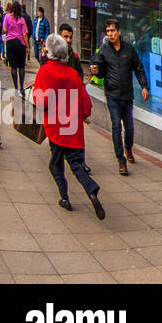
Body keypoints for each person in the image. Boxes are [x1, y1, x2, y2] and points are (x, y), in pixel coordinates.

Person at [32, 34, 104, 219]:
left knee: (55, 164)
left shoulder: (45, 71)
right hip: (73, 129)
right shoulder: (73, 73)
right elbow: (85, 103)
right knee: (76, 164)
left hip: (56, 128)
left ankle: (64, 198)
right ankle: (91, 189)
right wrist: (82, 116)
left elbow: (41, 101)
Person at [90, 18, 149, 176]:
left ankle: (128, 148)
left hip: (127, 96)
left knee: (129, 127)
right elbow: (99, 69)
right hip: (112, 95)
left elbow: (139, 69)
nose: (110, 34)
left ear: (119, 32)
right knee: (116, 126)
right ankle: (121, 160)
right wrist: (95, 71)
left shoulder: (129, 50)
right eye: (108, 31)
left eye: (112, 31)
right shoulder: (103, 50)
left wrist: (144, 86)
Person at [2, 2, 29, 95]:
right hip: (20, 43)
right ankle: (21, 87)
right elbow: (25, 34)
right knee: (21, 66)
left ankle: (16, 88)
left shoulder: (7, 17)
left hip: (10, 43)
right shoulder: (22, 19)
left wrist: (9, 29)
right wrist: (27, 46)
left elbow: (4, 30)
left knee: (13, 67)